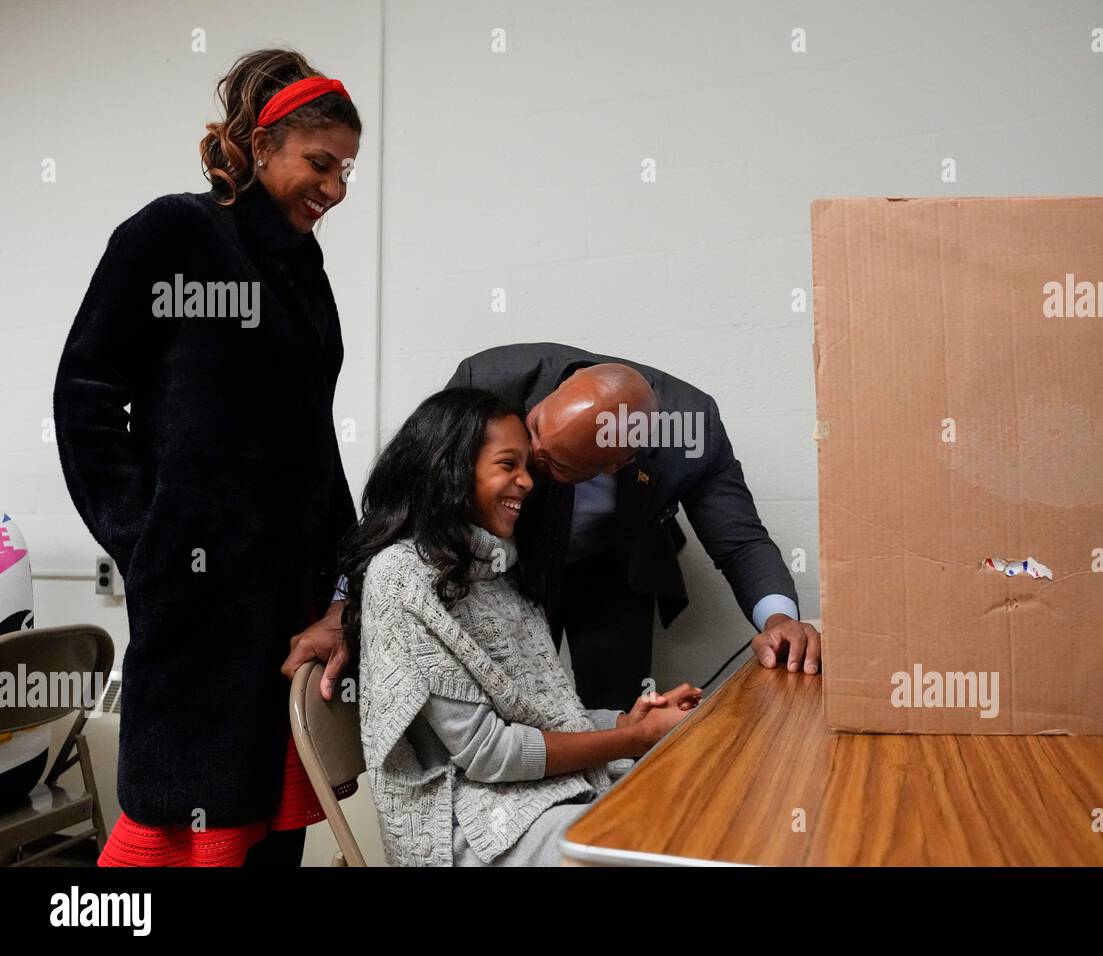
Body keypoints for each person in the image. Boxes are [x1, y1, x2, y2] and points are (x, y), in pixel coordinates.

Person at [52, 48, 362, 866]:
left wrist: (348, 577)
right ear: (262, 148)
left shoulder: (306, 271)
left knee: (275, 827)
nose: (334, 188)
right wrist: (144, 540)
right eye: (319, 163)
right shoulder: (175, 231)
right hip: (198, 598)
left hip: (295, 608)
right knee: (188, 829)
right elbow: (85, 392)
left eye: (347, 171)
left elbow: (313, 435)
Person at [345, 388, 700, 866]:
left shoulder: (498, 567)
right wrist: (635, 740)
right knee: (649, 844)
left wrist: (626, 722)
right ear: (450, 467)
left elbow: (542, 719)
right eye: (507, 464)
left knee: (689, 813)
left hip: (538, 800)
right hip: (468, 828)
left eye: (526, 466)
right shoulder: (402, 576)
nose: (527, 482)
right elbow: (490, 753)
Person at [440, 342, 821, 711]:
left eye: (554, 466)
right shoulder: (487, 380)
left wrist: (780, 621)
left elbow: (740, 543)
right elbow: (428, 493)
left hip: (612, 561)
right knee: (506, 696)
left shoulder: (692, 430)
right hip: (509, 558)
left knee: (619, 705)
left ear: (617, 462)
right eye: (535, 425)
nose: (530, 458)